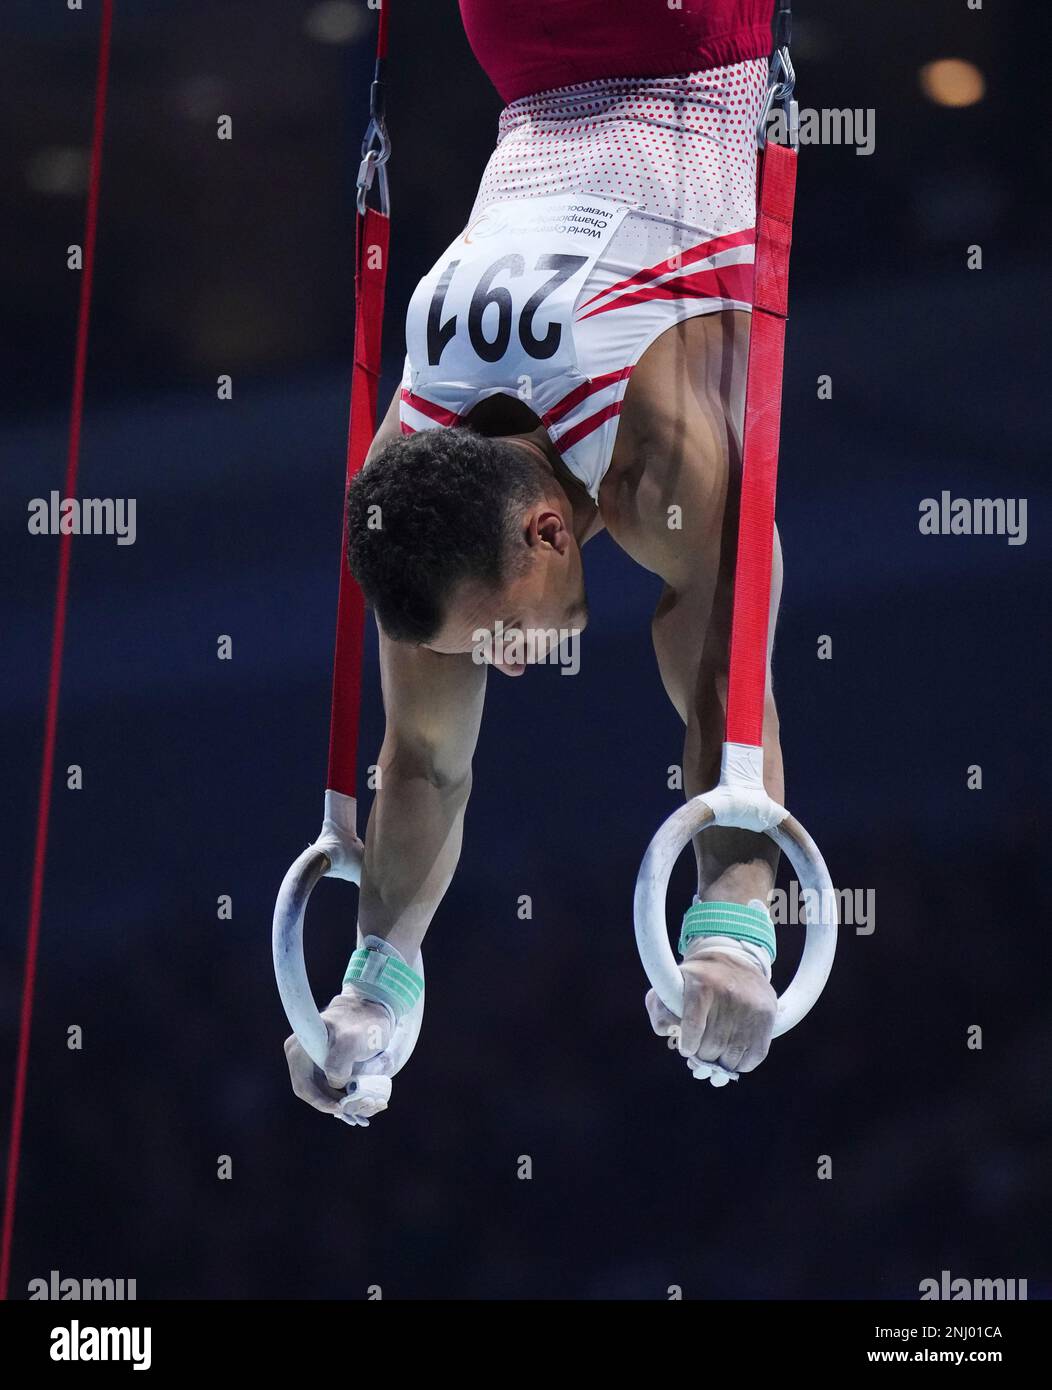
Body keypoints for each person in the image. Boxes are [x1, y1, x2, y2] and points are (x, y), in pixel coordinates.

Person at [287, 0, 787, 1122]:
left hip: (690, 32)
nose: (507, 667)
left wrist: (733, 929)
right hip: (512, 40)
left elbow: (729, 705)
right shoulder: (408, 481)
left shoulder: (656, 460)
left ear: (551, 530)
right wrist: (374, 986)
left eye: (498, 636)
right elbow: (420, 759)